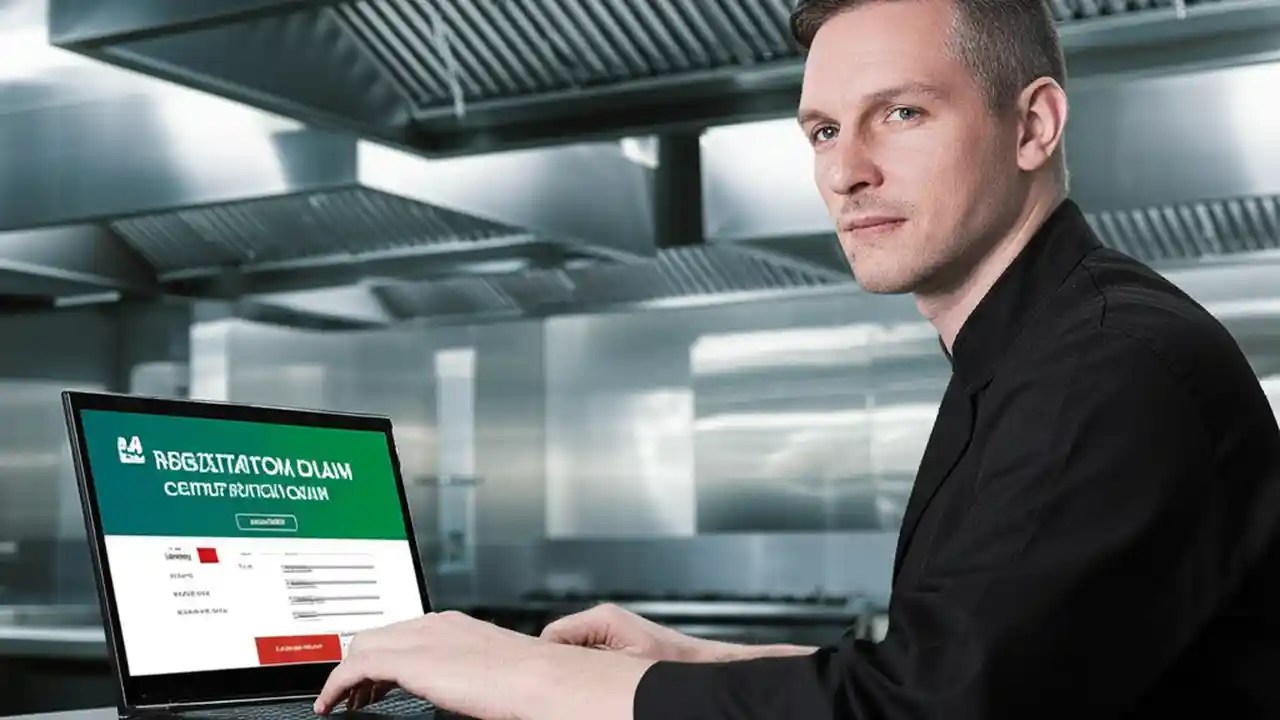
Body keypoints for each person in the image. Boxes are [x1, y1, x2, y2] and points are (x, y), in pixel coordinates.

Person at [314, 0, 1280, 717]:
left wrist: (527, 674)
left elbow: (933, 712)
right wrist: (686, 664)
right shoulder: (1039, 349)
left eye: (900, 113)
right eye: (822, 129)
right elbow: (972, 668)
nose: (843, 168)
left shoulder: (1109, 364)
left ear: (1033, 125)